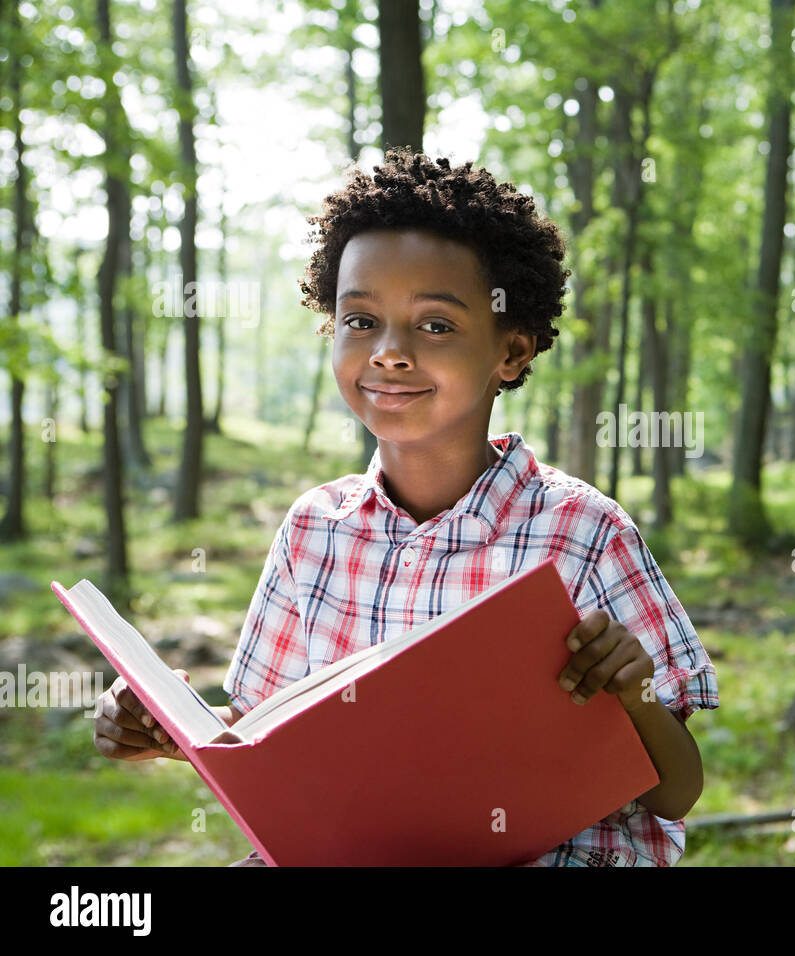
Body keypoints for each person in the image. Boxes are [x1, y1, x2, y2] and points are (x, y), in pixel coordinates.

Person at [92, 149, 719, 867]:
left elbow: (677, 792)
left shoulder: (582, 533)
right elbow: (263, 736)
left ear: (511, 351)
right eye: (361, 320)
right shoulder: (313, 533)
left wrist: (633, 688)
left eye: (436, 327)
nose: (389, 353)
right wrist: (174, 731)